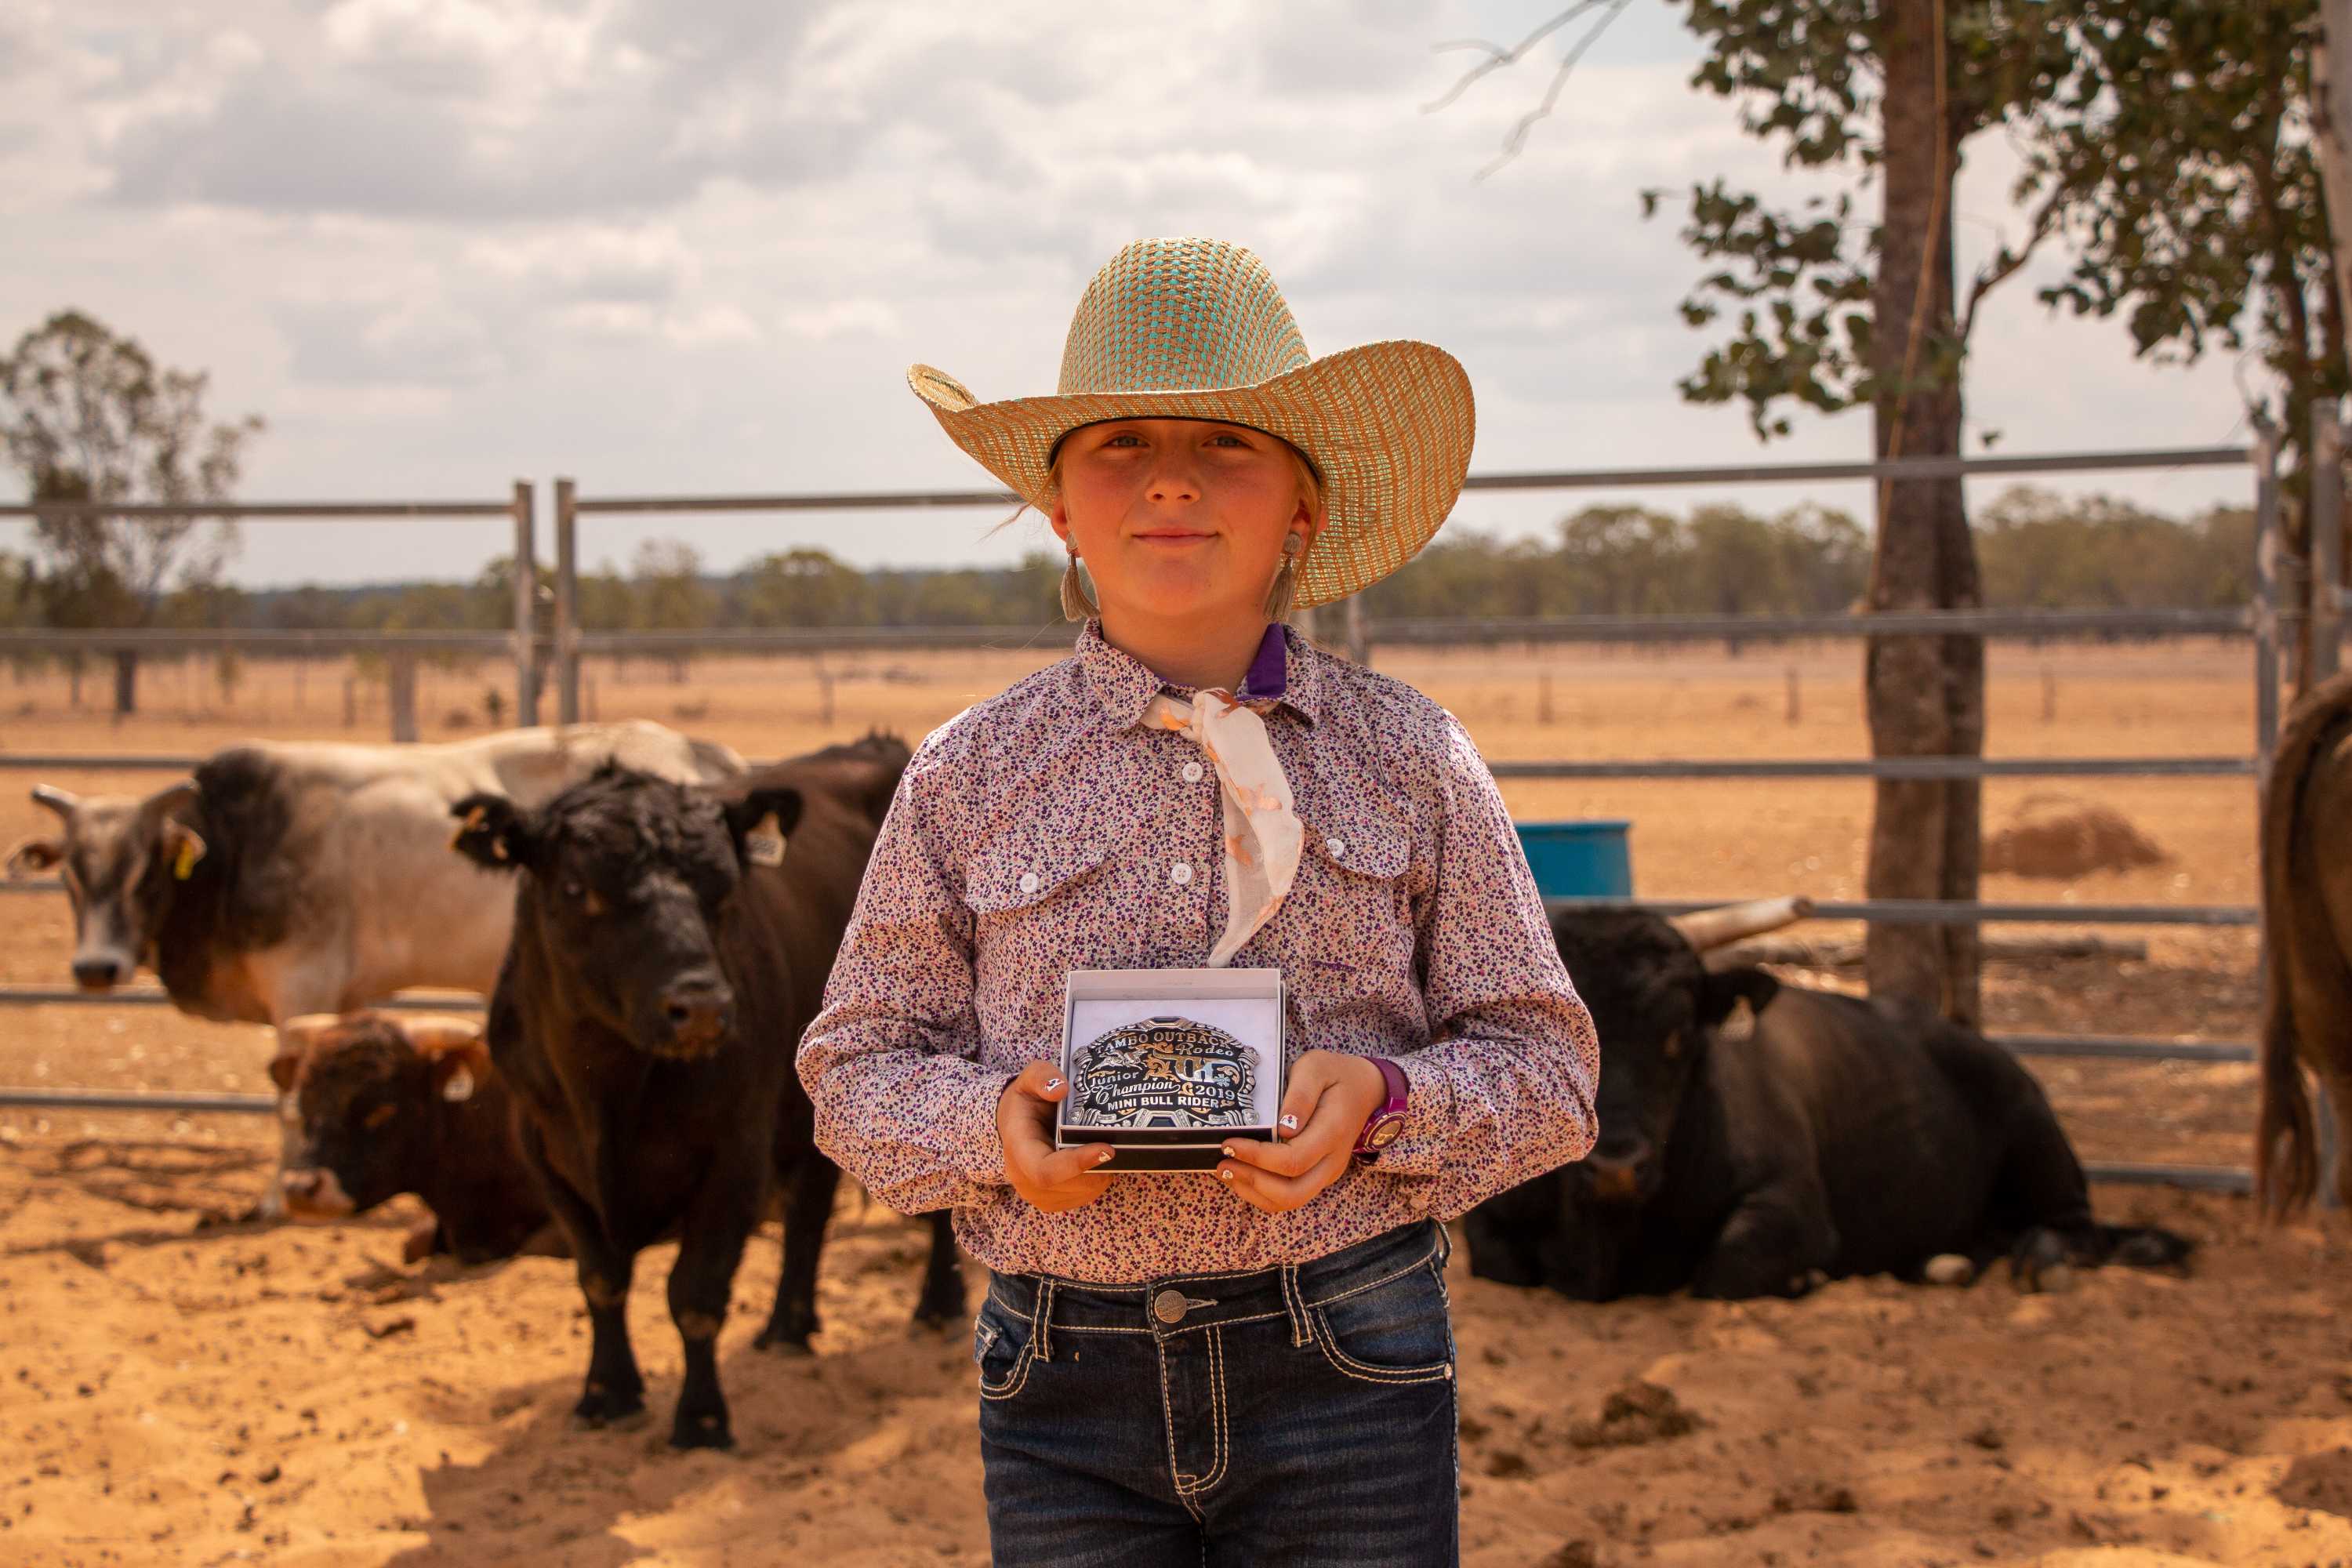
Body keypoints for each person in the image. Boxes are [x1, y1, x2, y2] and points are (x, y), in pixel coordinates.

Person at [799, 236, 1599, 1567]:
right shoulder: (966, 775)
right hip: (1061, 1385)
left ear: (1305, 508)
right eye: (1118, 443)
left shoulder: (1411, 754)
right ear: (1061, 510)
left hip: (1352, 1357)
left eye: (1226, 442)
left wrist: (1388, 1107)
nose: (1168, 475)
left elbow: (1553, 1073)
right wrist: (996, 1127)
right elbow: (853, 1068)